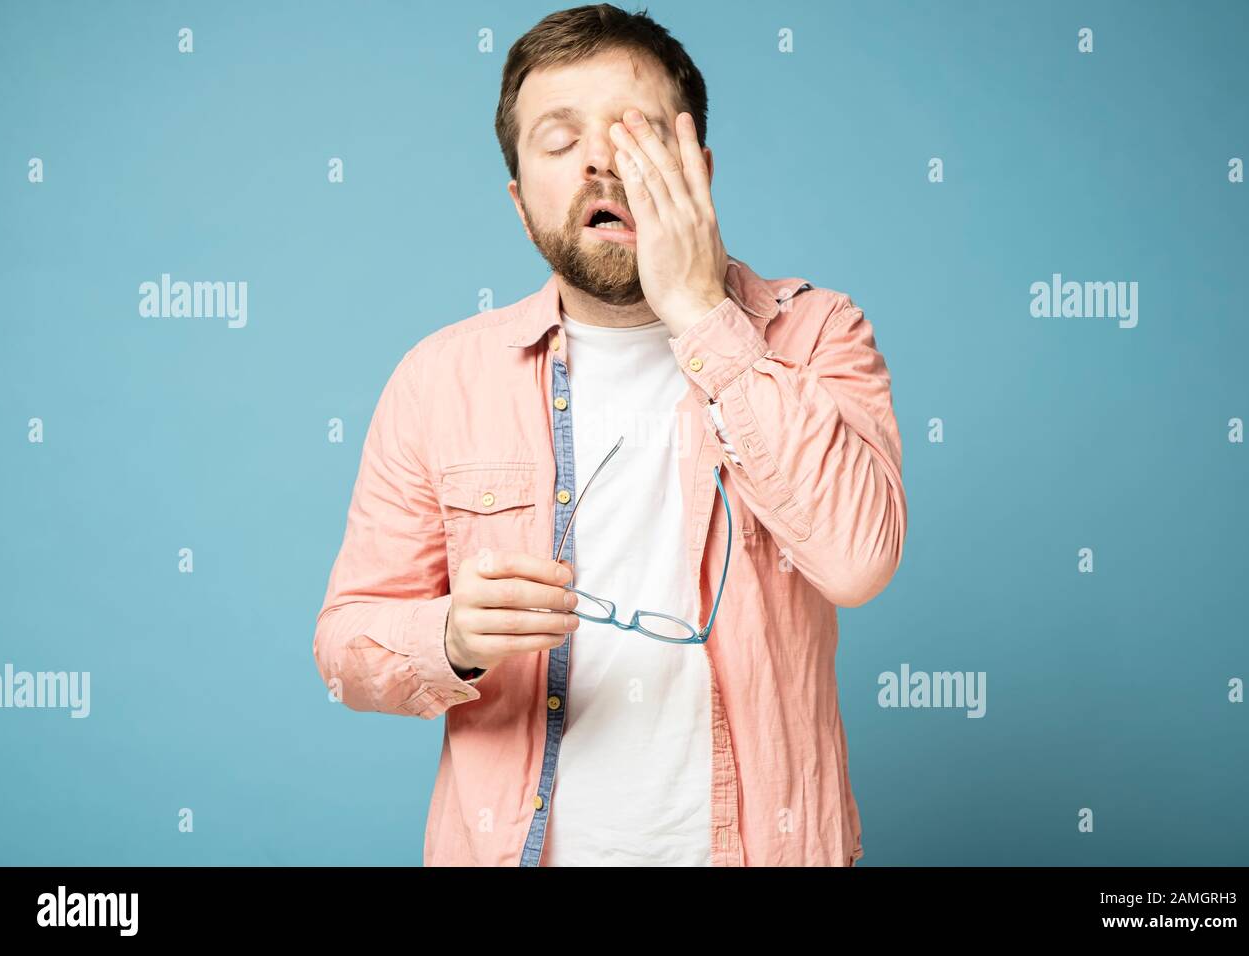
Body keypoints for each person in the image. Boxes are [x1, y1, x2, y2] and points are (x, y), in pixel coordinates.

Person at [313, 2, 907, 867]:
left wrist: (701, 311)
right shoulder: (439, 380)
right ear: (521, 204)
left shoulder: (816, 334)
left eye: (632, 134)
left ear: (697, 168)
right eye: (559, 143)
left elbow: (860, 558)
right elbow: (343, 648)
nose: (598, 160)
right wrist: (451, 637)